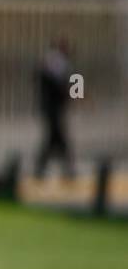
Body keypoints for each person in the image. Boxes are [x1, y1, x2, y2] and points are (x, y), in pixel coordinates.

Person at [35, 37, 75, 178]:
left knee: (54, 139)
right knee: (57, 139)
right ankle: (67, 169)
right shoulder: (56, 62)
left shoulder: (54, 62)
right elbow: (61, 85)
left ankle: (44, 168)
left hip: (51, 108)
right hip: (52, 108)